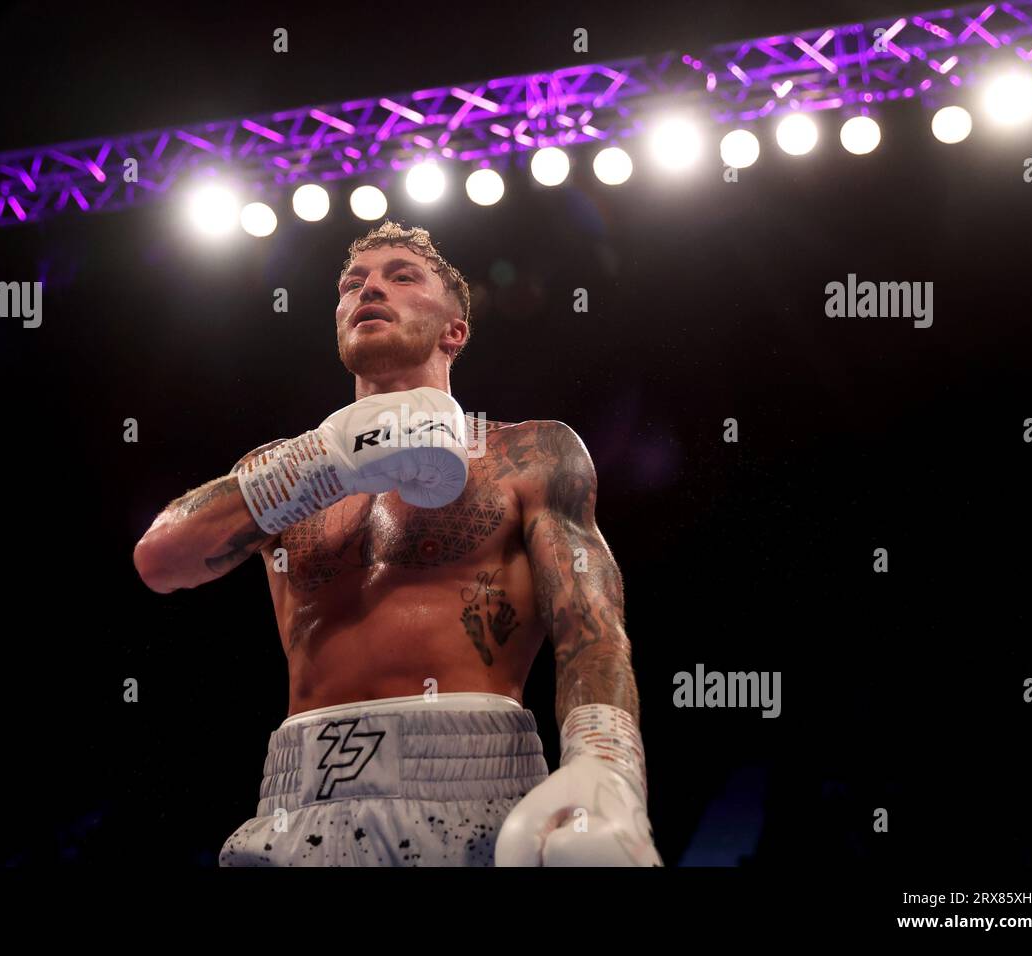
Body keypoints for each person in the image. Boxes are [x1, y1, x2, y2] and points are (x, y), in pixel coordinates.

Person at [133, 220, 663, 866]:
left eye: (401, 276)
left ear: (454, 329)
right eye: (351, 284)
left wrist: (606, 764)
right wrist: (321, 463)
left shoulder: (530, 454)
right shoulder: (283, 469)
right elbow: (160, 559)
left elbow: (591, 628)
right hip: (298, 806)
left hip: (473, 790)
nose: (369, 290)